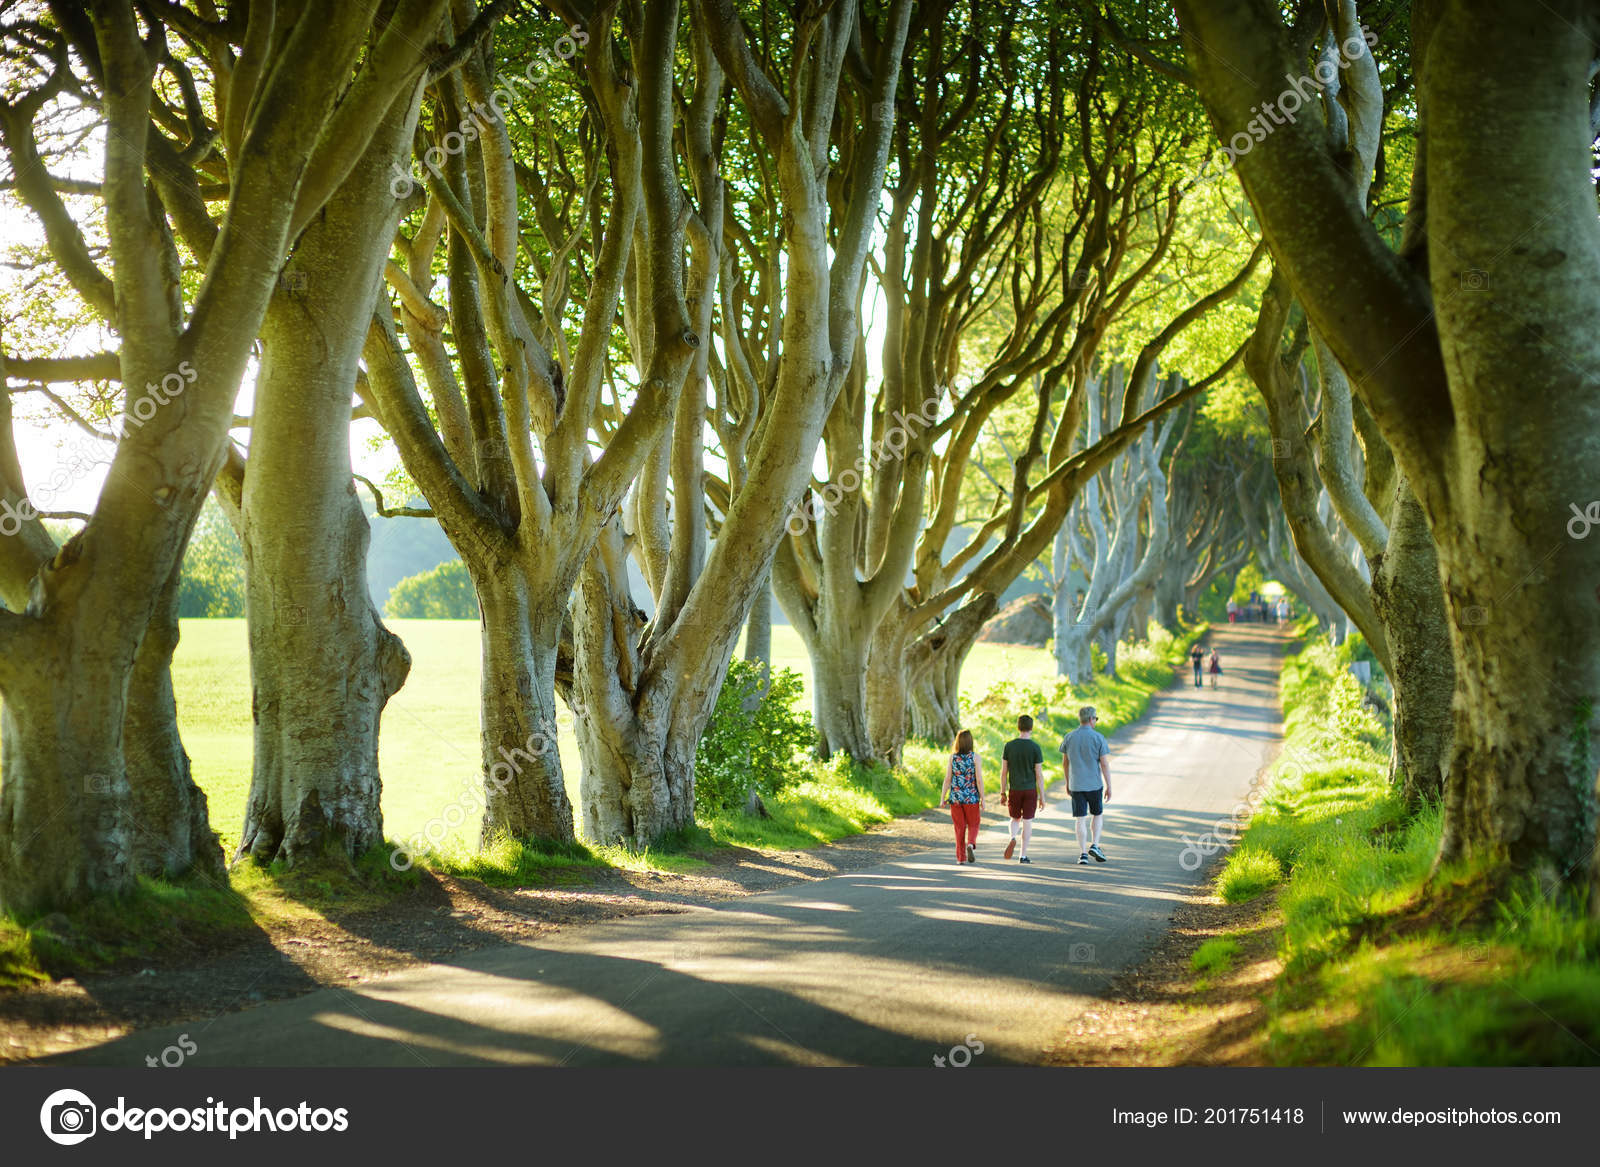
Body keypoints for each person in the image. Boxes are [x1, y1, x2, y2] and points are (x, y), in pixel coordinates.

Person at [1060, 705, 1112, 865]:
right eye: (1095, 718)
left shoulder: (1069, 737)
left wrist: (1068, 782)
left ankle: (1083, 854)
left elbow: (1065, 763)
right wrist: (1109, 785)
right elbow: (1104, 764)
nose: (1095, 721)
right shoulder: (1098, 738)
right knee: (1097, 814)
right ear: (1091, 719)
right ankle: (1095, 844)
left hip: (1076, 784)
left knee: (1080, 819)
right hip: (1094, 784)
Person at [998, 714, 1046, 864]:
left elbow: (1004, 771)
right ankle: (1022, 855)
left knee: (1014, 818)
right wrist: (1042, 797)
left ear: (1018, 727)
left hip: (1015, 789)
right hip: (1030, 789)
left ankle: (1012, 837)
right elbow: (1039, 774)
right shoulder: (1035, 747)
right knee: (1028, 821)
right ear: (1031, 728)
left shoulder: (1009, 746)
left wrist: (1002, 792)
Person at [940, 729, 985, 865]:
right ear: (971, 742)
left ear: (958, 742)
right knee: (974, 824)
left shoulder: (953, 757)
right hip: (971, 798)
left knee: (959, 828)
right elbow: (979, 780)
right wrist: (982, 798)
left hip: (955, 798)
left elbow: (947, 779)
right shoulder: (975, 757)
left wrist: (942, 798)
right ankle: (970, 844)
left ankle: (961, 858)